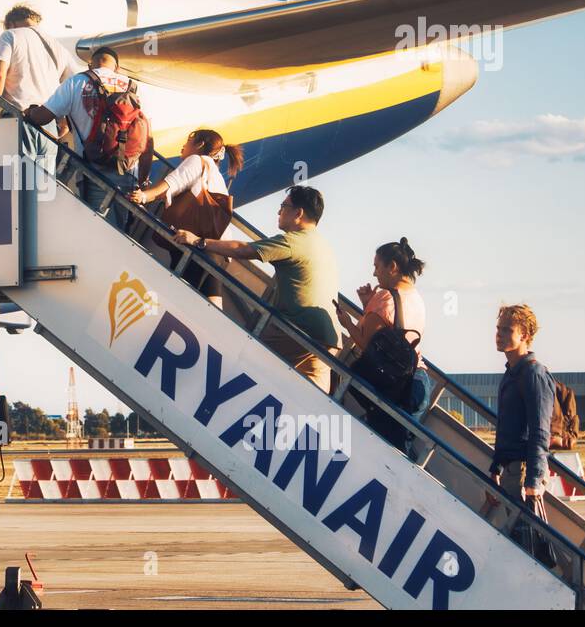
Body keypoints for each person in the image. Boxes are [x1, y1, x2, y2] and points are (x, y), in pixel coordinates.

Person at [175, 185, 339, 393]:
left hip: (298, 329)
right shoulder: (323, 247)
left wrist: (199, 241)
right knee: (311, 401)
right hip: (328, 337)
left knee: (244, 365)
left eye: (283, 206)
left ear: (298, 213)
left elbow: (244, 250)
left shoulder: (294, 241)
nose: (278, 212)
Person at [24, 47, 153, 229]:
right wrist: (143, 181)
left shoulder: (76, 82)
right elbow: (147, 139)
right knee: (121, 237)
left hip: (94, 171)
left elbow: (41, 117)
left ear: (90, 64)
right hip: (128, 173)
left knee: (96, 231)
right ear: (116, 67)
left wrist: (30, 112)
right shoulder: (134, 87)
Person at [334, 238, 431, 456]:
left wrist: (347, 322)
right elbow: (390, 338)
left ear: (392, 267)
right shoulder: (415, 297)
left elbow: (368, 344)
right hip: (419, 381)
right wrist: (369, 306)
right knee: (399, 450)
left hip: (395, 386)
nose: (375, 273)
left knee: (380, 452)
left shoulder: (384, 298)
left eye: (377, 266)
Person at [130, 128, 242, 295]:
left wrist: (144, 196)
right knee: (208, 305)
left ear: (200, 144)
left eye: (188, 141)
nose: (183, 145)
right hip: (217, 250)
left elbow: (170, 185)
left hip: (198, 247)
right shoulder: (215, 174)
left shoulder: (198, 161)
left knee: (183, 300)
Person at [0, 3, 79, 173]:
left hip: (19, 120)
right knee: (44, 189)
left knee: (18, 186)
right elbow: (73, 85)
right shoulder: (57, 46)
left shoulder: (10, 36)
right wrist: (64, 121)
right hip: (48, 125)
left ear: (11, 23)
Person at [488, 304, 556, 517]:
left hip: (523, 470)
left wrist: (534, 480)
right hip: (511, 469)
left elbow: (540, 430)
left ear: (525, 334)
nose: (499, 335)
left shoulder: (533, 374)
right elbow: (506, 427)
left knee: (526, 539)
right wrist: (496, 468)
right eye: (499, 329)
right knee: (517, 538)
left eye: (507, 330)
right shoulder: (511, 373)